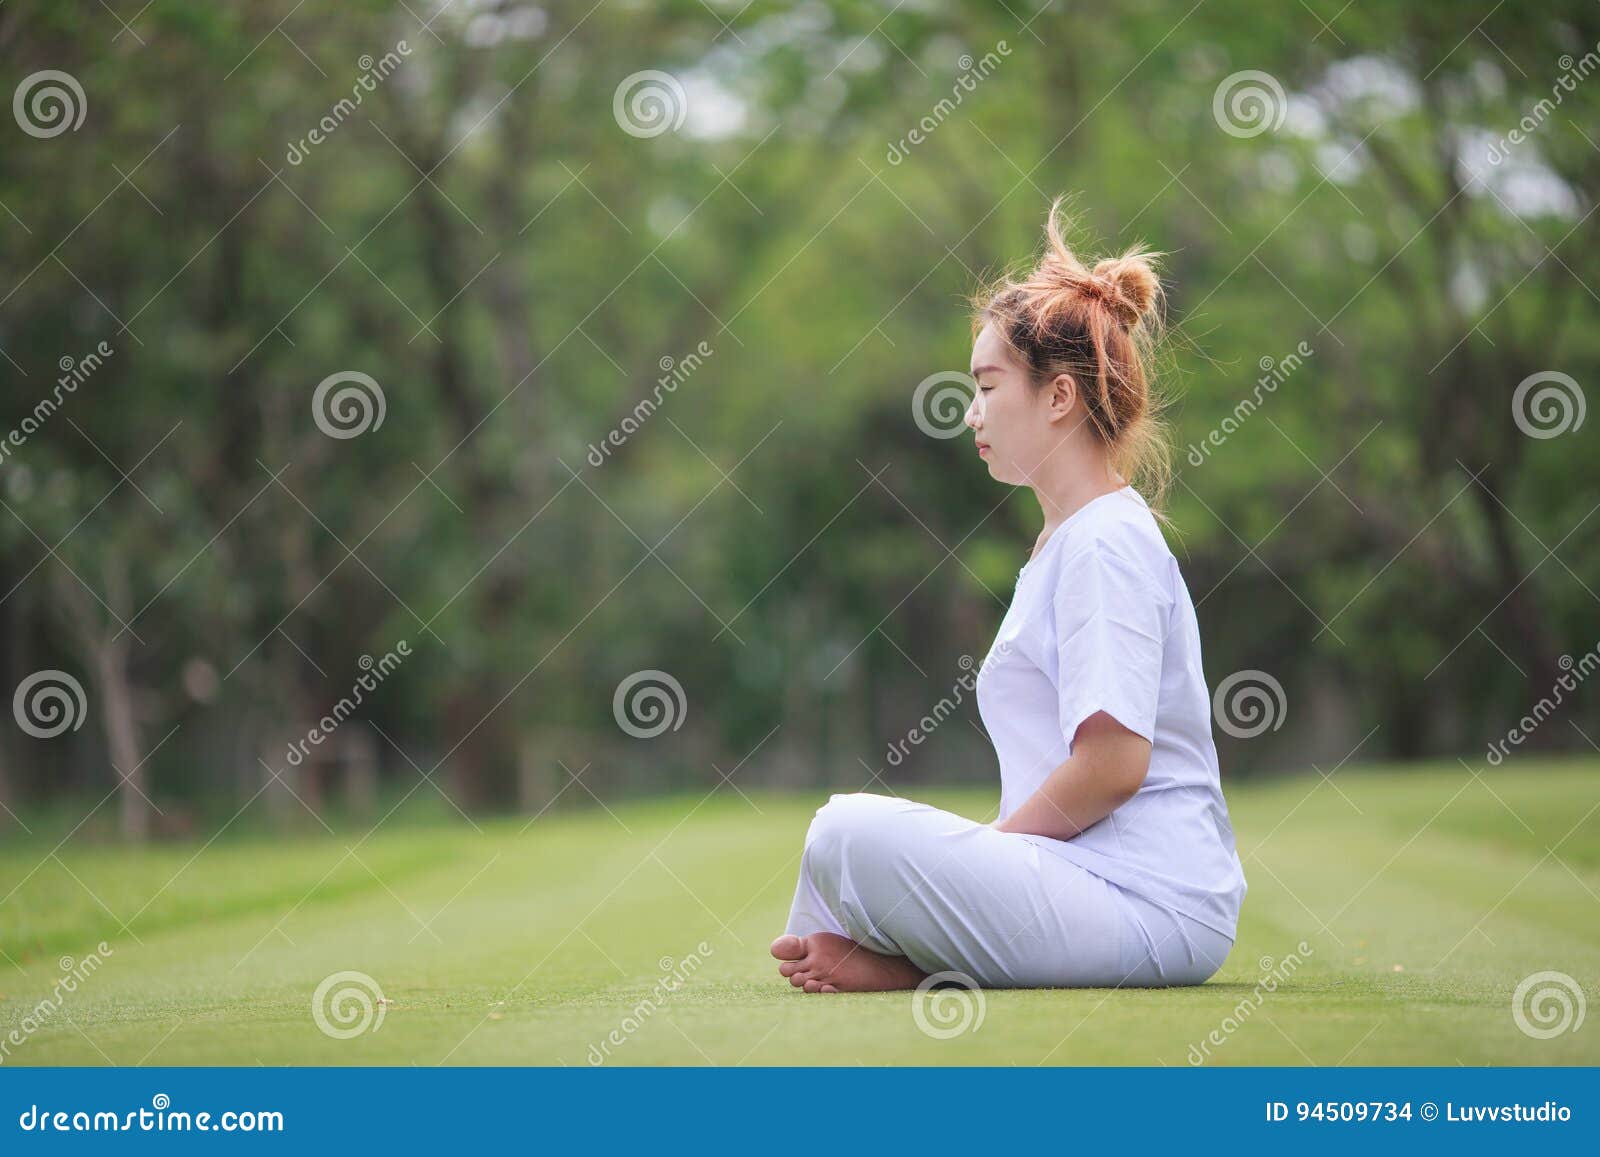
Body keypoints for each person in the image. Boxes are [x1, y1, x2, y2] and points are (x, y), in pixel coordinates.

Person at [770, 198, 1247, 992]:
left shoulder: (1105, 541)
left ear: (1059, 397)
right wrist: (984, 867)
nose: (971, 411)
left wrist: (990, 856)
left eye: (989, 386)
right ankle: (889, 962)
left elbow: (1115, 765)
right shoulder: (1066, 542)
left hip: (1150, 903)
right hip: (1094, 888)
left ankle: (910, 962)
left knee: (848, 829)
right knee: (840, 840)